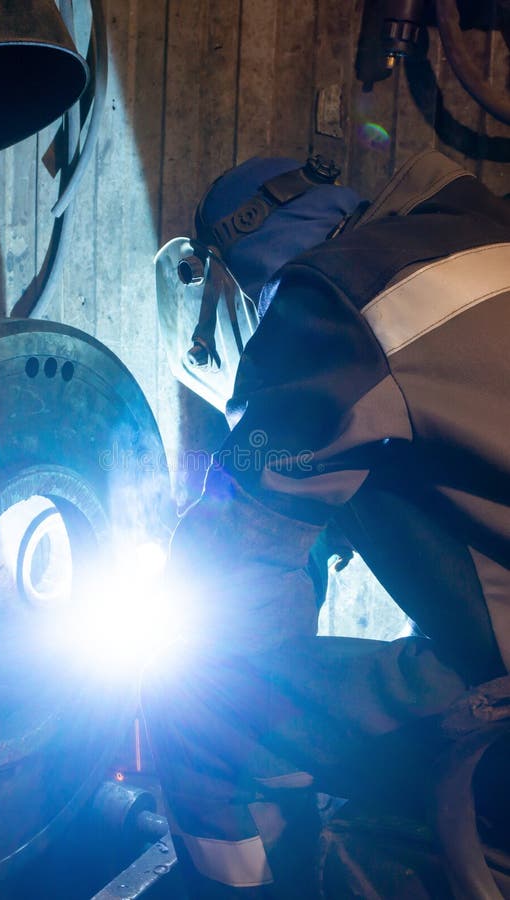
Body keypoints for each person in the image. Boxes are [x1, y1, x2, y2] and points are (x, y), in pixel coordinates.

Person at [142, 149, 510, 899]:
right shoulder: (478, 239)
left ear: (231, 281)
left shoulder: (327, 301)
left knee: (197, 684)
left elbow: (235, 558)